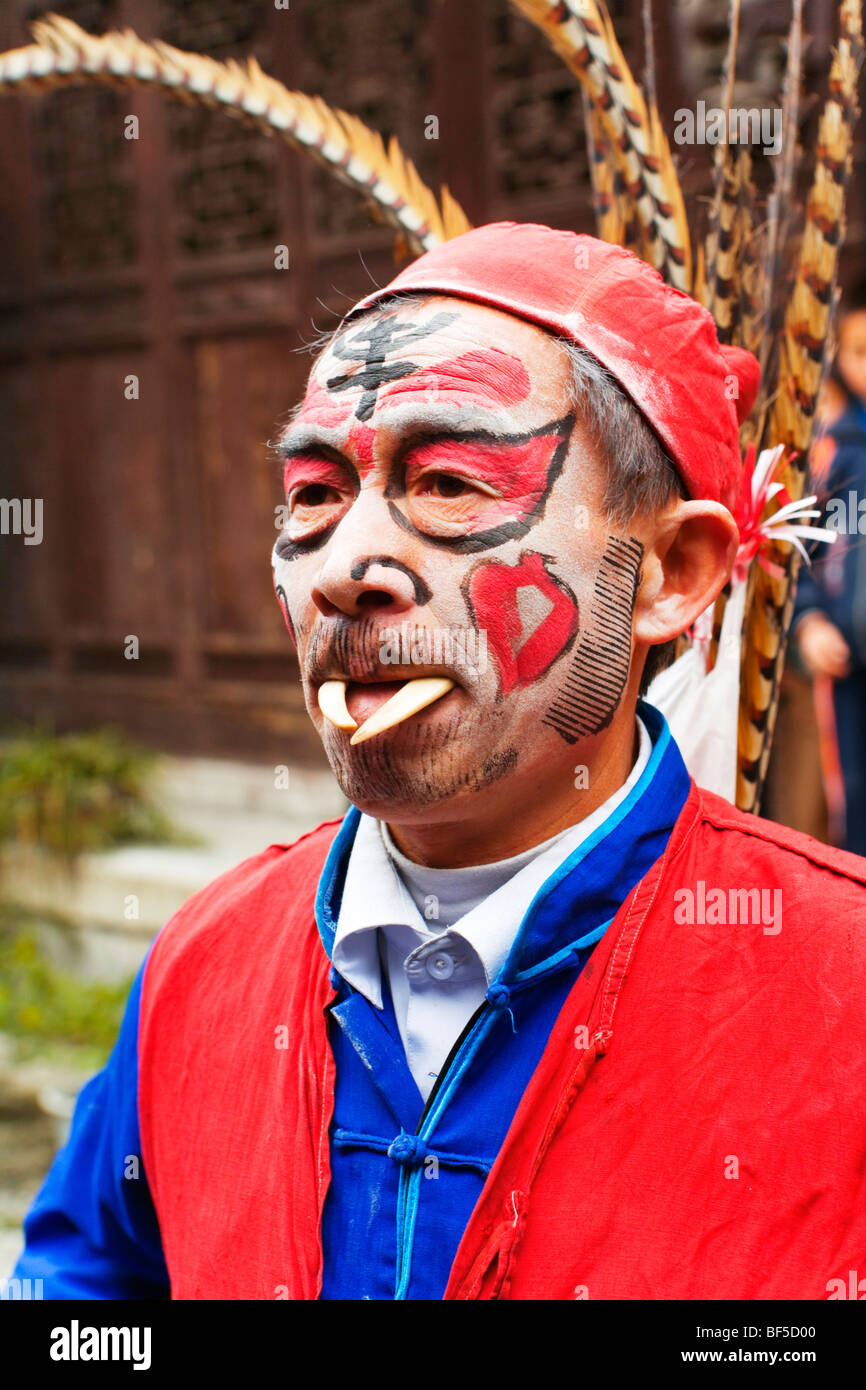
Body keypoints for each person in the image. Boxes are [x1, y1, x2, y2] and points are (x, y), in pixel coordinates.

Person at [14, 223, 866, 1300]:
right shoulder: (206, 963)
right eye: (316, 494)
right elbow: (83, 1287)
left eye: (450, 483)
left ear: (670, 570)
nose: (345, 567)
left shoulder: (840, 986)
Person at [794, 284, 866, 856]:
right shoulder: (835, 458)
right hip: (850, 673)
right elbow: (800, 554)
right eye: (862, 351)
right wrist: (811, 619)